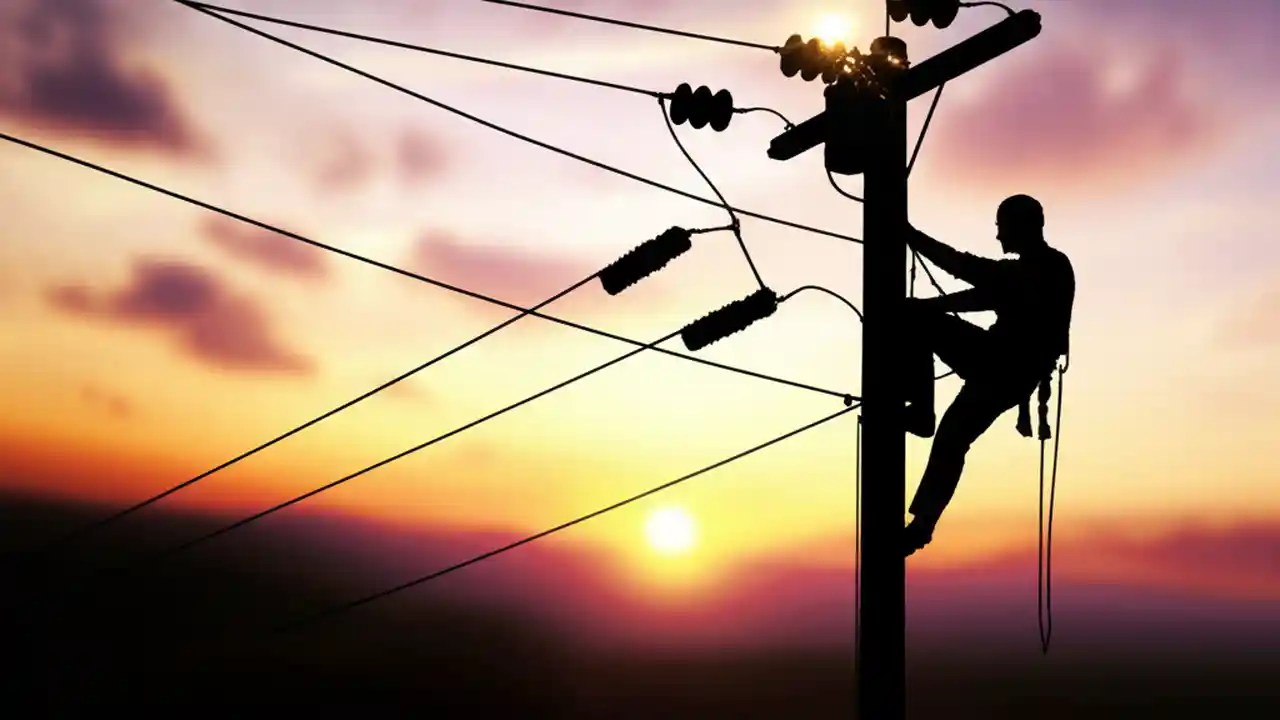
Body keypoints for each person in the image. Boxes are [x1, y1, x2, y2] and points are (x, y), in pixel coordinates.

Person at [900, 194, 1074, 556]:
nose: (998, 236)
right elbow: (986, 291)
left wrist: (911, 238)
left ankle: (921, 413)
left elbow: (970, 272)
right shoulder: (1039, 270)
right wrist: (931, 304)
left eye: (1002, 227)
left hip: (1001, 365)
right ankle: (923, 524)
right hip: (1004, 370)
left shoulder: (1046, 268)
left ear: (1021, 226)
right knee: (952, 436)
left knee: (952, 433)